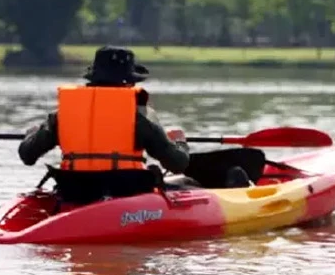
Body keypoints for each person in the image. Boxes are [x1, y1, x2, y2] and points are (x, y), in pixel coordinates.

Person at [18, 46, 206, 199]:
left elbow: (27, 155)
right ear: (129, 83)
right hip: (125, 191)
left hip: (75, 191)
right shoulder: (139, 116)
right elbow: (177, 163)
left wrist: (31, 134)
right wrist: (180, 142)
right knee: (185, 182)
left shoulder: (61, 115)